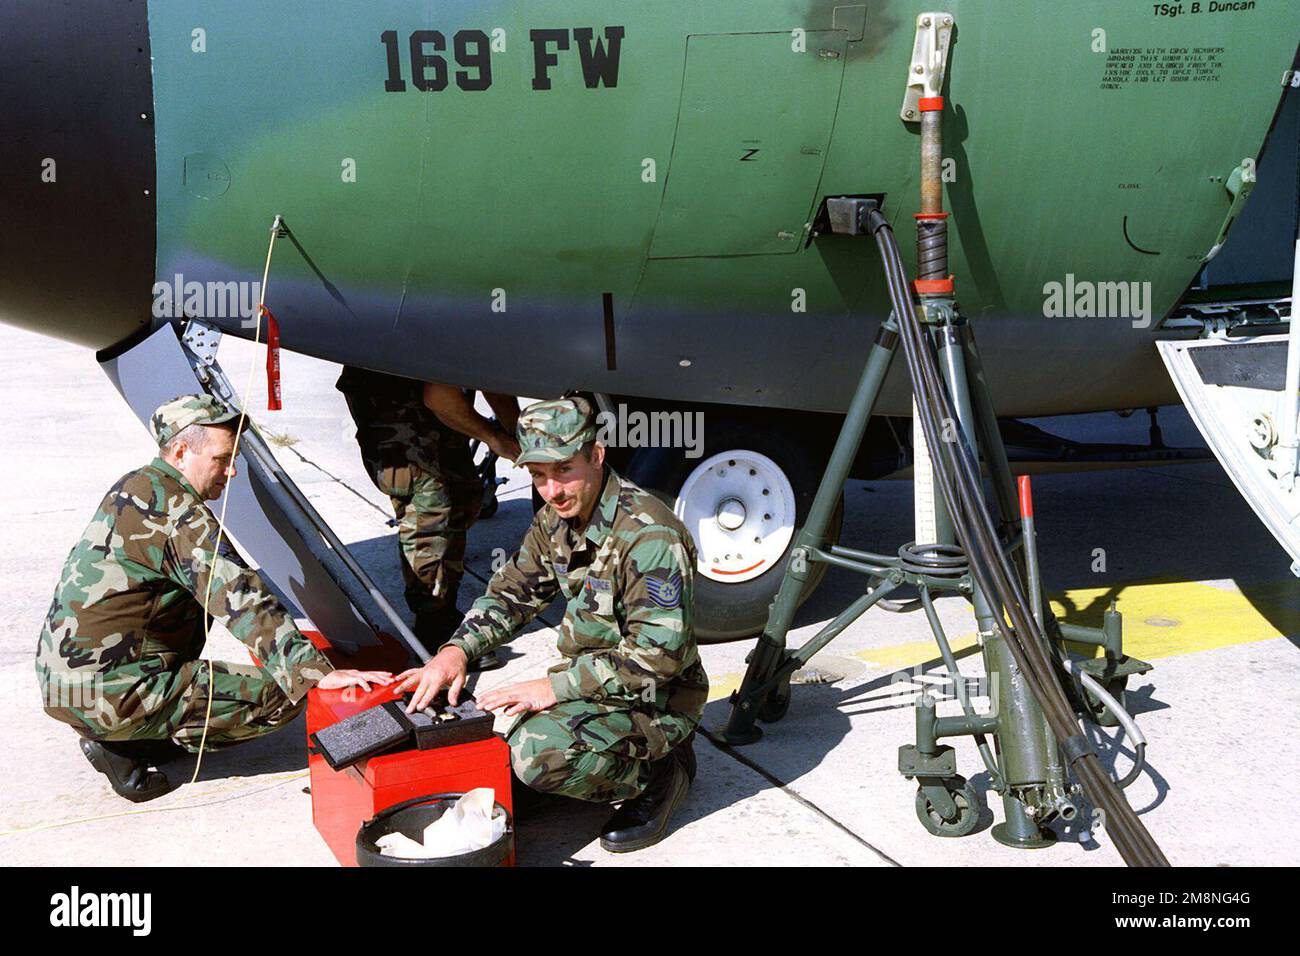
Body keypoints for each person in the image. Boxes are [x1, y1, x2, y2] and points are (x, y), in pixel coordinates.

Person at [35, 395, 390, 803]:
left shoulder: (135, 486)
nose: (232, 470)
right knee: (286, 695)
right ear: (182, 452)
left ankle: (129, 729)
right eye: (222, 458)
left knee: (186, 604)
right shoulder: (181, 516)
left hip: (63, 687)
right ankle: (125, 744)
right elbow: (241, 597)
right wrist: (314, 673)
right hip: (110, 697)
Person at [395, 397, 708, 852]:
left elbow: (657, 658)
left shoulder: (649, 537)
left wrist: (553, 688)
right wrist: (455, 652)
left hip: (658, 698)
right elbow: (512, 593)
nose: (551, 490)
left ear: (597, 456)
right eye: (538, 475)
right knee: (508, 755)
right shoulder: (557, 518)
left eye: (563, 470)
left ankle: (660, 773)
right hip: (597, 685)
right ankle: (590, 763)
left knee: (535, 752)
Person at [336, 367, 519, 664]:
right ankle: (434, 623)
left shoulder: (486, 327)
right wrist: (494, 437)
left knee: (462, 492)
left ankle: (444, 604)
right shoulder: (462, 325)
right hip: (392, 402)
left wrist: (516, 432)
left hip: (424, 391)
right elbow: (439, 396)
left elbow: (491, 375)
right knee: (431, 507)